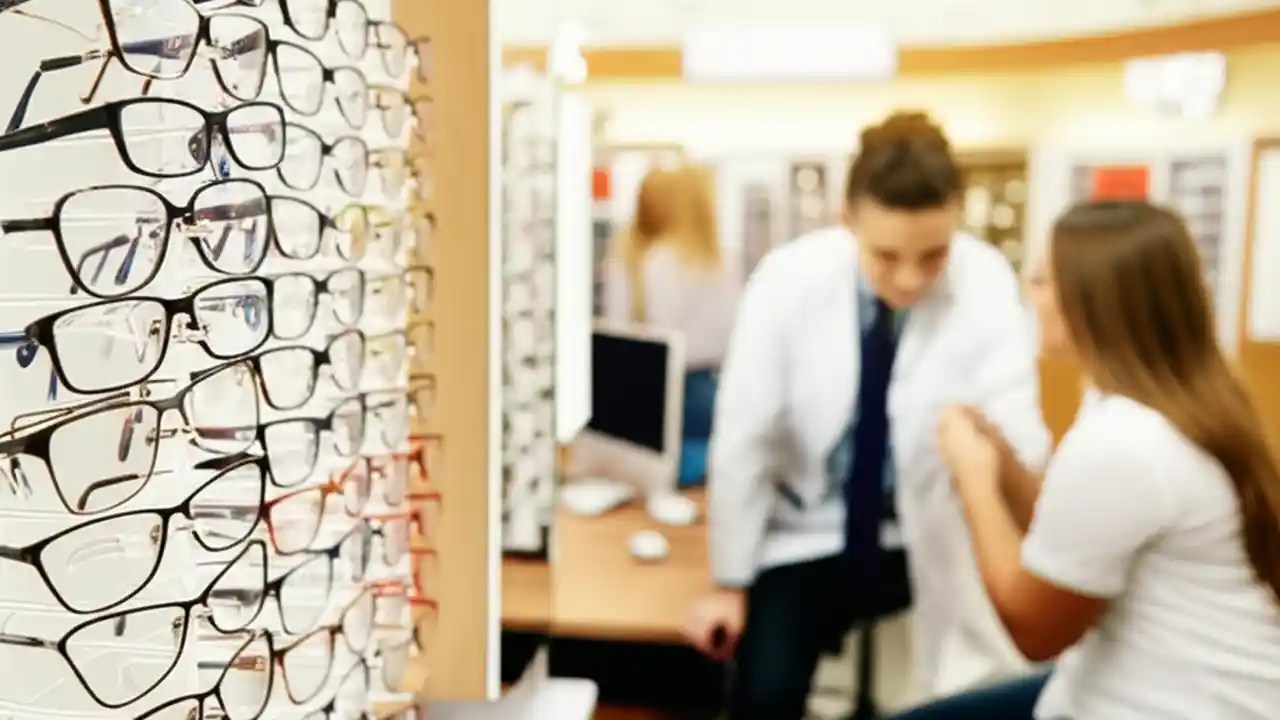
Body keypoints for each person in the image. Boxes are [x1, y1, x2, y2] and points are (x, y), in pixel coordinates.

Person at [682, 111, 1051, 719]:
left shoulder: (983, 281)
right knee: (763, 695)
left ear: (959, 218)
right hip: (808, 530)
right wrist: (730, 581)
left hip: (921, 535)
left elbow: (1020, 433)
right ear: (846, 219)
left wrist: (991, 449)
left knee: (973, 694)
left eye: (932, 255)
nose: (909, 279)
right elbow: (745, 436)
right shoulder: (787, 280)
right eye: (886, 256)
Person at [900, 201, 1280, 719]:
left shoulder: (1125, 443)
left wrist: (975, 481)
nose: (1028, 299)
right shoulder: (1177, 407)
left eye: (1039, 282)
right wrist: (1004, 459)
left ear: (1088, 303)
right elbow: (1072, 545)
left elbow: (1033, 628)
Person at [601, 164, 739, 486]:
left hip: (653, 387)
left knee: (654, 484)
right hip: (708, 389)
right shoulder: (719, 260)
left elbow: (620, 334)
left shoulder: (637, 261)